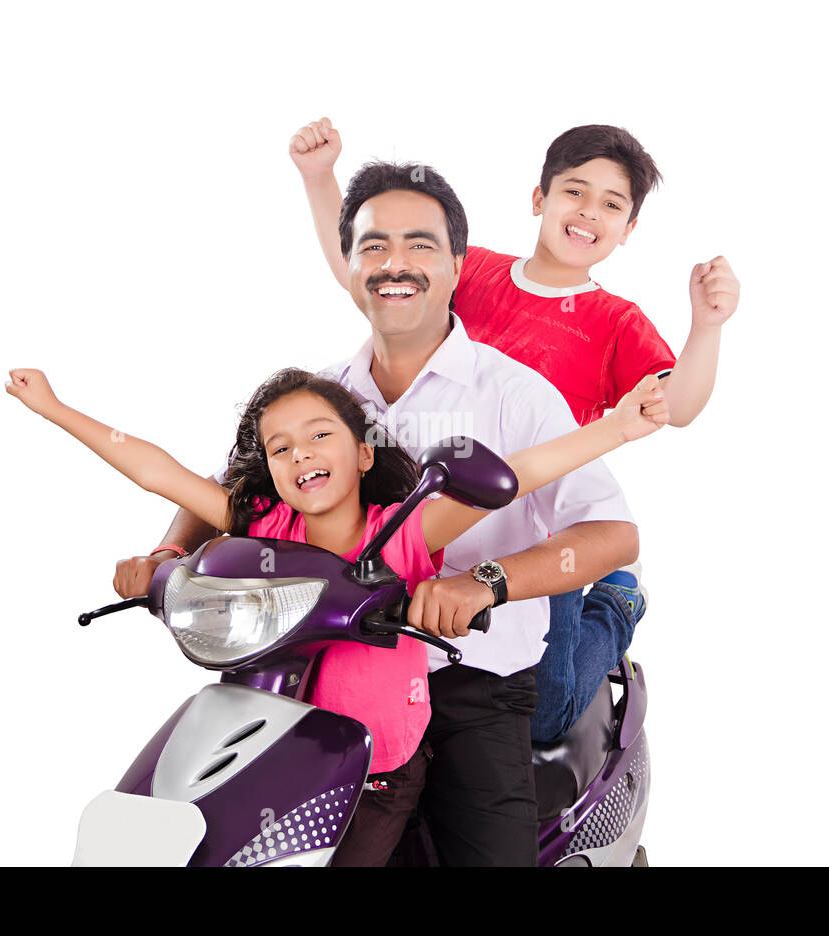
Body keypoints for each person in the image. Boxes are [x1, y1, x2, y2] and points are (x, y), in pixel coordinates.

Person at [111, 161, 642, 865]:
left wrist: (485, 582)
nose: (396, 264)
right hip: (320, 668)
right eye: (373, 245)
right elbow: (227, 492)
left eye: (421, 245)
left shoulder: (517, 396)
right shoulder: (321, 392)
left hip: (469, 676)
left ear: (457, 265)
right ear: (350, 264)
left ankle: (612, 613)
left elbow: (612, 532)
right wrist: (169, 557)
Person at [5, 360, 667, 866]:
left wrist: (619, 428)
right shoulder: (261, 525)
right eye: (281, 447)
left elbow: (519, 475)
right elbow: (159, 471)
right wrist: (56, 409)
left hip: (377, 767)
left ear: (362, 453)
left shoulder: (406, 531)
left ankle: (613, 602)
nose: (301, 455)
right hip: (286, 743)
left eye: (319, 435)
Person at [288, 117, 741, 742]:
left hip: (534, 533)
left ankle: (613, 605)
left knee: (545, 715)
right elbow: (370, 273)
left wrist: (708, 326)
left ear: (628, 229)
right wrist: (319, 178)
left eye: (611, 205)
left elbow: (676, 406)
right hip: (421, 522)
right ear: (539, 199)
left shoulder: (615, 321)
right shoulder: (474, 271)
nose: (588, 213)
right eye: (574, 192)